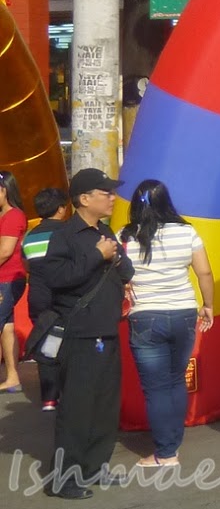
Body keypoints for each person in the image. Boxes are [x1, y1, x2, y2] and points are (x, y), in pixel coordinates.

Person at [29, 168, 135, 498]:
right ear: (84, 199)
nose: (112, 198)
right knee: (76, 409)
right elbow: (55, 278)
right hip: (79, 334)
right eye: (106, 193)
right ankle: (65, 478)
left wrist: (116, 258)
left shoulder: (105, 231)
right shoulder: (63, 236)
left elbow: (127, 270)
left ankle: (94, 466)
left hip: (107, 331)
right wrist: (96, 256)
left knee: (105, 406)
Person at [120, 179, 215, 467]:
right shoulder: (187, 232)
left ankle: (165, 453)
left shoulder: (124, 236)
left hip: (145, 316)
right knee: (175, 380)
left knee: (156, 388)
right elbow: (205, 273)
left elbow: (116, 274)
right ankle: (172, 441)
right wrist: (208, 305)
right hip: (184, 313)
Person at [21, 187, 73, 410]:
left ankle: (49, 398)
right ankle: (70, 392)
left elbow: (27, 266)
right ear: (61, 209)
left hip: (38, 298)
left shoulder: (30, 237)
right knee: (68, 345)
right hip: (62, 298)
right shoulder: (68, 232)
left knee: (47, 345)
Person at [0, 168, 26, 393]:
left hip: (7, 279)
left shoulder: (13, 216)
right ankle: (12, 377)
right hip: (6, 280)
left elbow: (5, 251)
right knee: (6, 328)